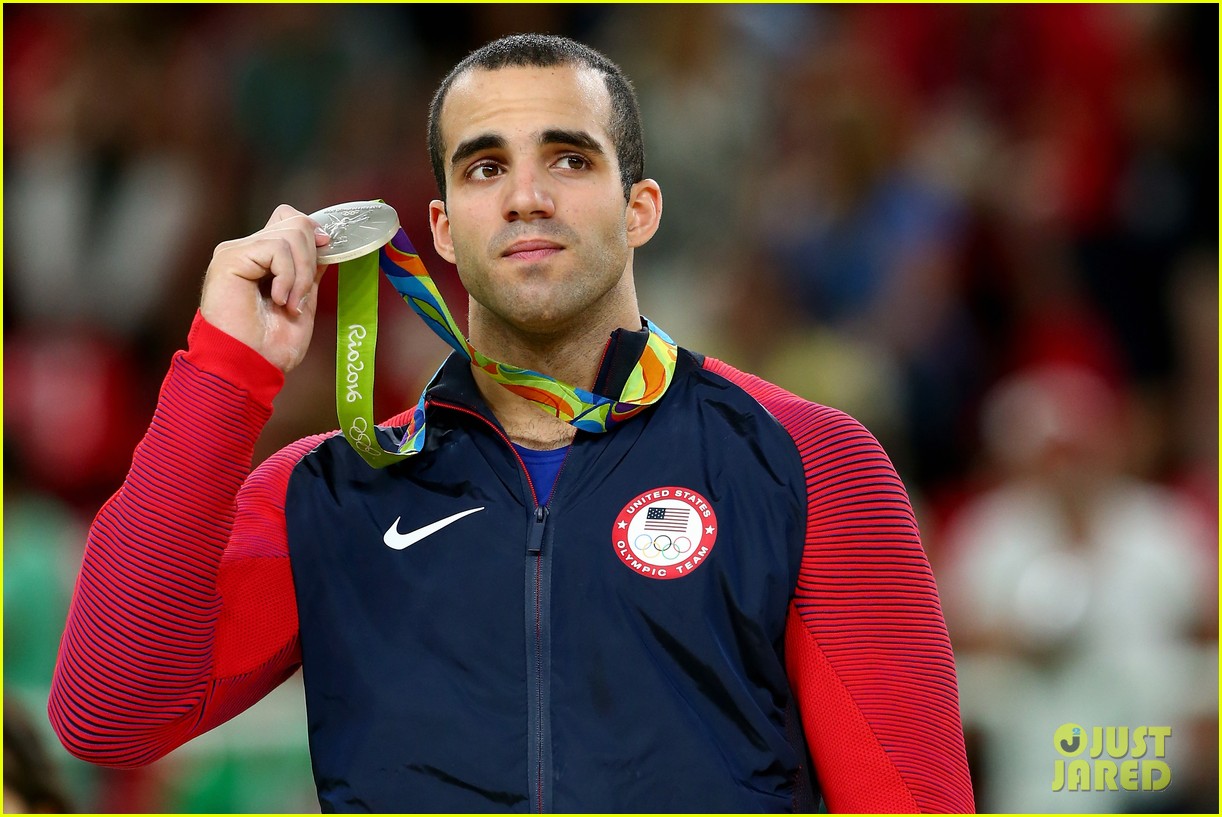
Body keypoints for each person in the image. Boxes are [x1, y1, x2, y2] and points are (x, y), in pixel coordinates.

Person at [49, 34, 974, 812]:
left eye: (570, 159)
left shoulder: (806, 459)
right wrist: (223, 372)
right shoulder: (333, 489)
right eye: (487, 165)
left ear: (639, 208)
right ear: (445, 230)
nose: (527, 194)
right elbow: (106, 712)